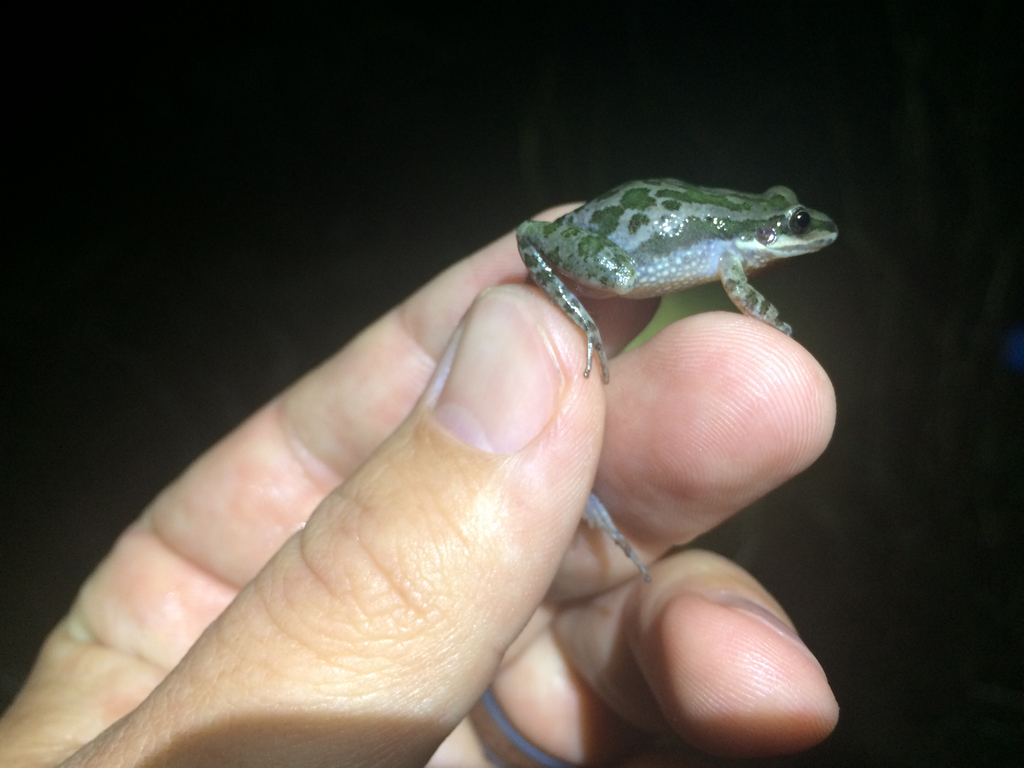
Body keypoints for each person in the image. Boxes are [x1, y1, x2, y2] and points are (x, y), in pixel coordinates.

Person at [0, 209, 839, 767]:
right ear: (770, 230)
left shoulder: (735, 236)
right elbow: (736, 293)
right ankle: (574, 311)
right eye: (795, 228)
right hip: (615, 244)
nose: (805, 236)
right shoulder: (737, 254)